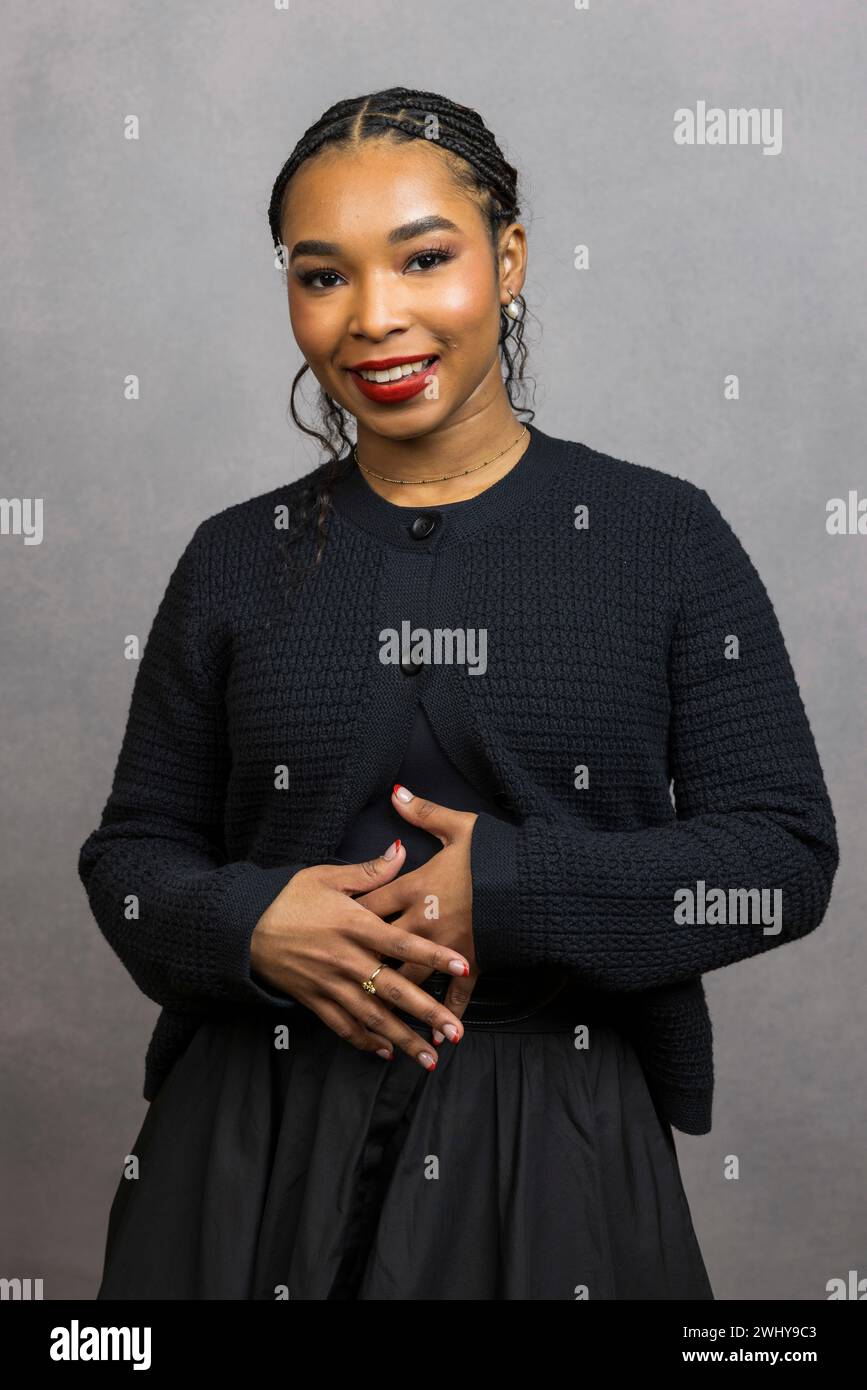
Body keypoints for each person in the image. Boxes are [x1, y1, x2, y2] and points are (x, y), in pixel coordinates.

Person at [78, 87, 839, 1301]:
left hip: (558, 1150)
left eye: (424, 258)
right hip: (242, 1155)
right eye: (322, 276)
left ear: (510, 258)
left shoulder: (661, 537)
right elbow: (132, 854)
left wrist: (513, 890)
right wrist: (248, 925)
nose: (375, 319)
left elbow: (784, 858)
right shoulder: (235, 555)